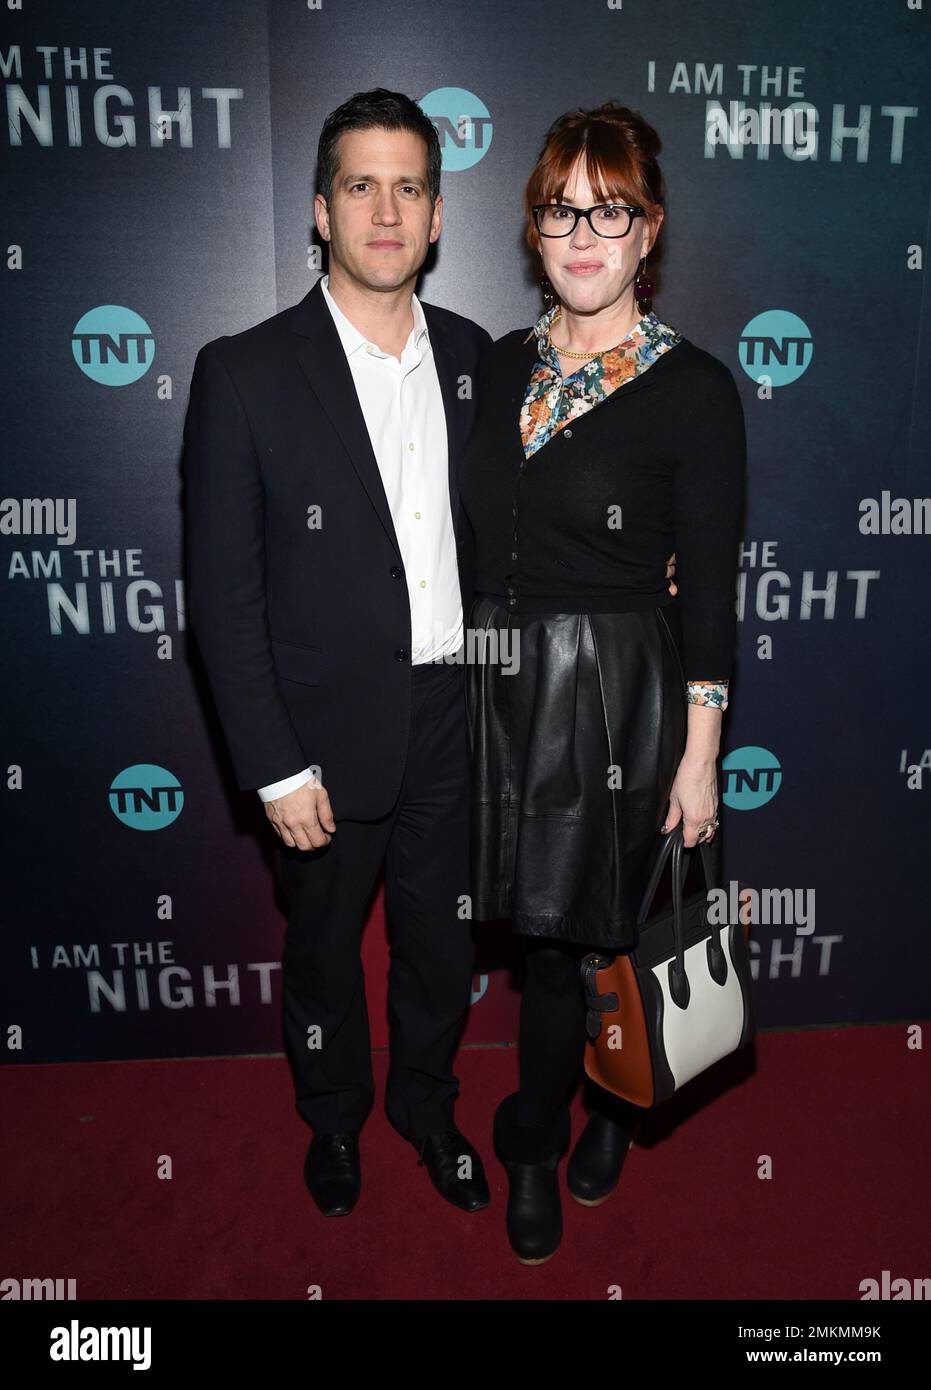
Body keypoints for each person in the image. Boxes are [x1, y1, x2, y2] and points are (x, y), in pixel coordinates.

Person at [183, 89, 493, 1218]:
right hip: (320, 736)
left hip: (458, 719)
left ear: (437, 216)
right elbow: (222, 595)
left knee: (439, 942)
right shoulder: (246, 370)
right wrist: (273, 763)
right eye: (360, 185)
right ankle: (334, 1121)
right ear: (320, 210)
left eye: (409, 185)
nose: (385, 209)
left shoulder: (472, 359)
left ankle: (425, 1101)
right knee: (322, 952)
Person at [460, 101, 747, 1265]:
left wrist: (699, 754)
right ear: (533, 230)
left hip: (626, 688)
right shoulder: (494, 366)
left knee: (601, 942)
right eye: (560, 209)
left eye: (609, 210)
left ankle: (596, 1120)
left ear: (648, 230)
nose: (583, 233)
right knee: (539, 945)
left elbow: (713, 589)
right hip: (501, 685)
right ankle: (538, 1130)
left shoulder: (694, 389)